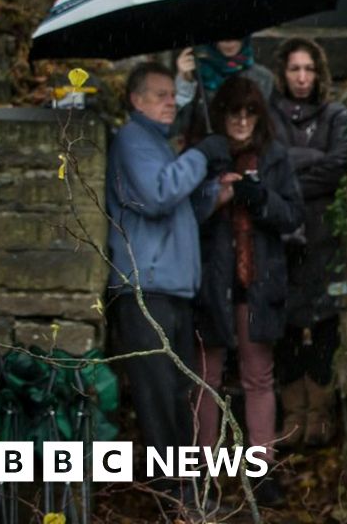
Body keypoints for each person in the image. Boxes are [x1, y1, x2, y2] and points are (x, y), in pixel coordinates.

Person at [105, 62, 230, 503]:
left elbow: (178, 211)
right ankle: (175, 497)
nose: (170, 102)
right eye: (160, 95)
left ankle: (184, 493)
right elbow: (159, 196)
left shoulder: (156, 143)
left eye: (172, 95)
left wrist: (216, 191)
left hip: (170, 288)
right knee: (159, 400)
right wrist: (200, 156)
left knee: (178, 396)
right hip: (146, 290)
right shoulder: (132, 139)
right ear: (136, 100)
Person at [190, 75, 303, 508]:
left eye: (249, 113)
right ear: (220, 115)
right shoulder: (204, 154)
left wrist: (259, 197)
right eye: (233, 113)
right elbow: (183, 212)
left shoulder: (274, 156)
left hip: (258, 282)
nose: (241, 121)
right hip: (211, 281)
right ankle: (204, 472)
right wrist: (218, 196)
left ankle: (262, 470)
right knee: (206, 378)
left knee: (258, 376)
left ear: (260, 116)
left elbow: (291, 214)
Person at [268, 37, 347, 447]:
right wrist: (310, 161)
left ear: (318, 73)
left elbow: (339, 165)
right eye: (294, 69)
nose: (302, 77)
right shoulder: (269, 115)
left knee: (324, 325)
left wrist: (292, 175)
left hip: (323, 236)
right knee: (283, 325)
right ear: (283, 74)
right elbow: (269, 165)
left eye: (308, 69)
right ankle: (292, 416)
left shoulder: (335, 115)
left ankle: (319, 414)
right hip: (280, 236)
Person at [174, 37, 275, 141]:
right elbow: (179, 118)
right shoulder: (195, 71)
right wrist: (185, 79)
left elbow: (264, 123)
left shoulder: (262, 78)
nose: (229, 41)